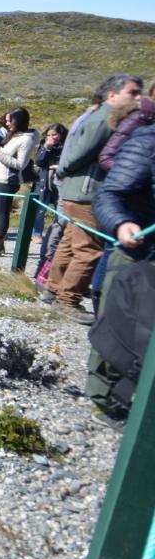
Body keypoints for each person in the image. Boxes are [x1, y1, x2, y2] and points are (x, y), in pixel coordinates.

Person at [44, 74, 144, 321]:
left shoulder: (101, 116)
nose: (138, 97)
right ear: (112, 95)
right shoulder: (107, 119)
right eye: (132, 92)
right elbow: (79, 153)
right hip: (87, 193)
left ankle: (52, 290)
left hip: (77, 192)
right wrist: (66, 170)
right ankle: (67, 300)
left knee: (69, 244)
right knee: (88, 250)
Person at [85, 123, 155, 425]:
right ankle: (108, 400)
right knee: (120, 328)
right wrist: (121, 223)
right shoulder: (148, 143)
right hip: (138, 255)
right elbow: (109, 195)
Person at [0, 107, 38, 256]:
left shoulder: (26, 139)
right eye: (6, 120)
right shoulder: (13, 134)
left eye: (9, 120)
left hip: (7, 181)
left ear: (18, 121)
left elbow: (20, 164)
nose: (7, 123)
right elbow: (6, 154)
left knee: (1, 214)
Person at [32, 123, 67, 239]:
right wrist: (47, 147)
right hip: (44, 181)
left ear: (61, 134)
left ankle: (58, 235)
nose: (51, 137)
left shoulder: (69, 145)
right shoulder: (44, 144)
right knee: (40, 209)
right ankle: (37, 234)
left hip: (62, 182)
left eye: (54, 134)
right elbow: (39, 162)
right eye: (48, 135)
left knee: (60, 210)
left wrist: (58, 167)